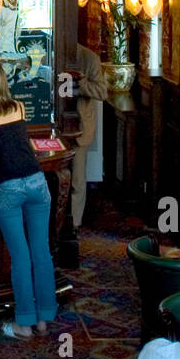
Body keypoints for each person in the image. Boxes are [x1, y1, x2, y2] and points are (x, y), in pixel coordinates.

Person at [0, 61, 58, 340]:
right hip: (36, 181)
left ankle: (24, 324)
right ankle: (43, 321)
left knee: (20, 256)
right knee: (41, 252)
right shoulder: (18, 106)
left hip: (7, 186)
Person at [70, 44, 107, 227]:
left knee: (77, 180)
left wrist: (81, 83)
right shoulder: (48, 50)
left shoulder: (89, 57)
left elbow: (102, 92)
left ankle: (74, 225)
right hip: (55, 124)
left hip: (80, 126)